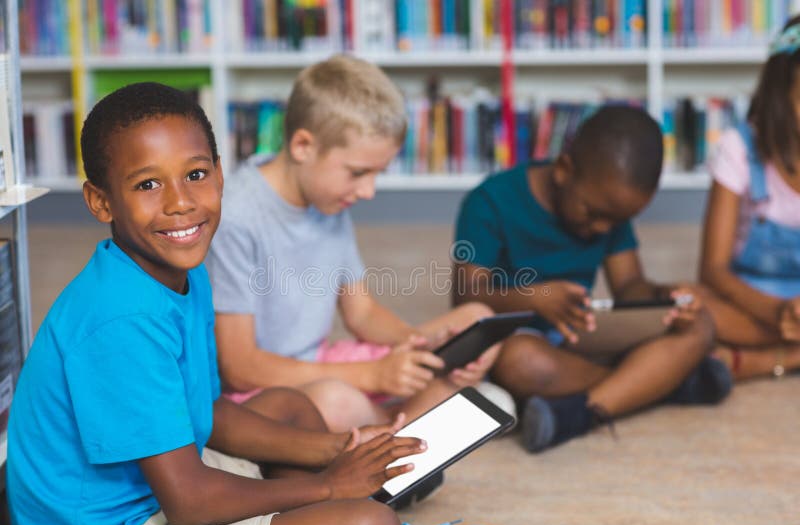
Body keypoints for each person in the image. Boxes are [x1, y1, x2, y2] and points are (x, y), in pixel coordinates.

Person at [6, 82, 424, 525]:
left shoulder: (183, 272)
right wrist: (329, 487)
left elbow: (207, 410)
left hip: (159, 487)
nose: (181, 202)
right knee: (367, 524)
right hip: (117, 521)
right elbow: (189, 503)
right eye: (148, 184)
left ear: (220, 175)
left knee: (288, 406)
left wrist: (339, 447)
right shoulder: (121, 319)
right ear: (101, 201)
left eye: (196, 174)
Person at [206, 55, 499, 433]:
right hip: (261, 390)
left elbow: (360, 313)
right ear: (302, 146)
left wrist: (421, 344)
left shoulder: (327, 197)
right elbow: (241, 368)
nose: (368, 191)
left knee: (477, 319)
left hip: (321, 360)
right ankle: (405, 426)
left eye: (377, 174)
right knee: (336, 403)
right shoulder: (236, 218)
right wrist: (373, 376)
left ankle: (399, 424)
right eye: (359, 173)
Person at [452, 105, 732, 453]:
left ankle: (580, 411)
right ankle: (661, 383)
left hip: (582, 337)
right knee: (520, 362)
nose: (602, 228)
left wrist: (663, 295)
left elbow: (630, 287)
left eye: (615, 221)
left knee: (700, 325)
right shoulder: (488, 202)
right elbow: (465, 296)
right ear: (564, 169)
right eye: (593, 213)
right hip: (519, 339)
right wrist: (533, 297)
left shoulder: (608, 205)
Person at [698, 16, 800, 380]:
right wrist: (778, 313)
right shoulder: (738, 148)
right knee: (690, 306)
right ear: (781, 91)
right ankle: (788, 351)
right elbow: (712, 269)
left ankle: (768, 359)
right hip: (751, 298)